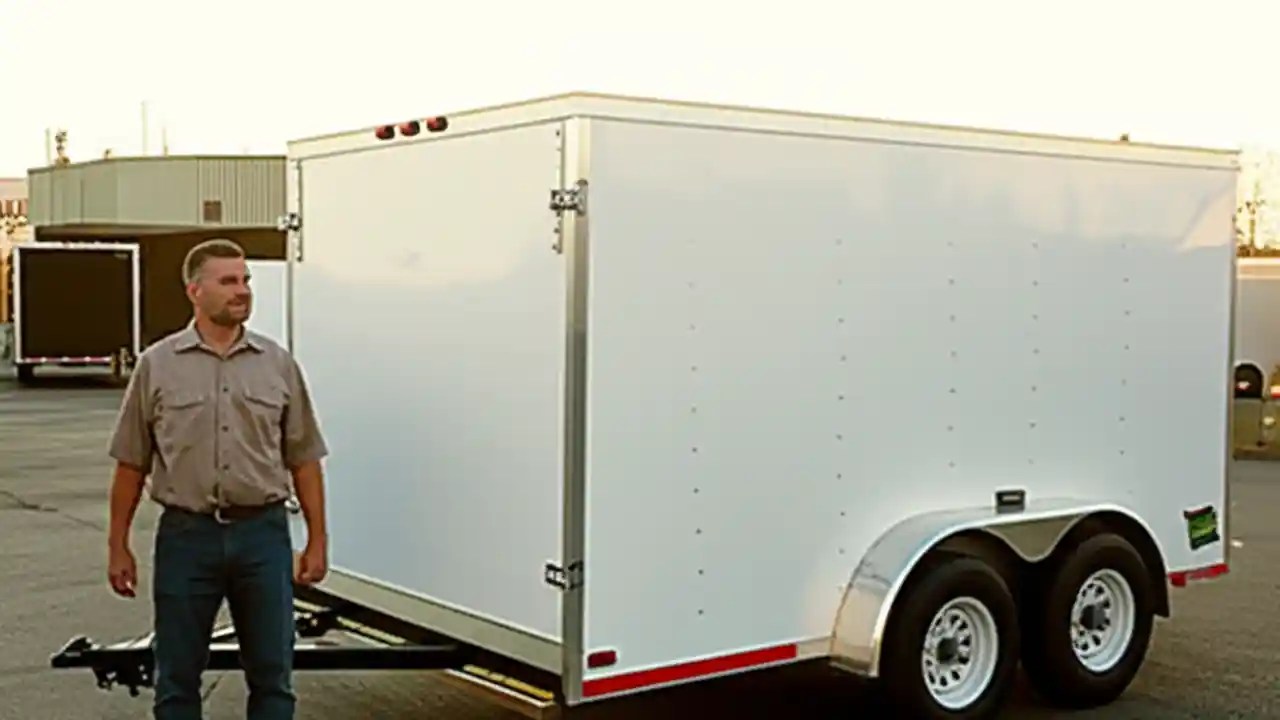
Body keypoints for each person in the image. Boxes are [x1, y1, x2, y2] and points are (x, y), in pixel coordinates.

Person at [105, 237, 330, 720]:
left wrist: (317, 539)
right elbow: (130, 463)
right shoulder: (157, 365)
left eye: (245, 280)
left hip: (263, 537)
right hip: (188, 539)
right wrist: (118, 544)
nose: (243, 290)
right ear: (194, 290)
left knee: (273, 677)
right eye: (228, 281)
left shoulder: (277, 364)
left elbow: (304, 458)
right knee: (177, 679)